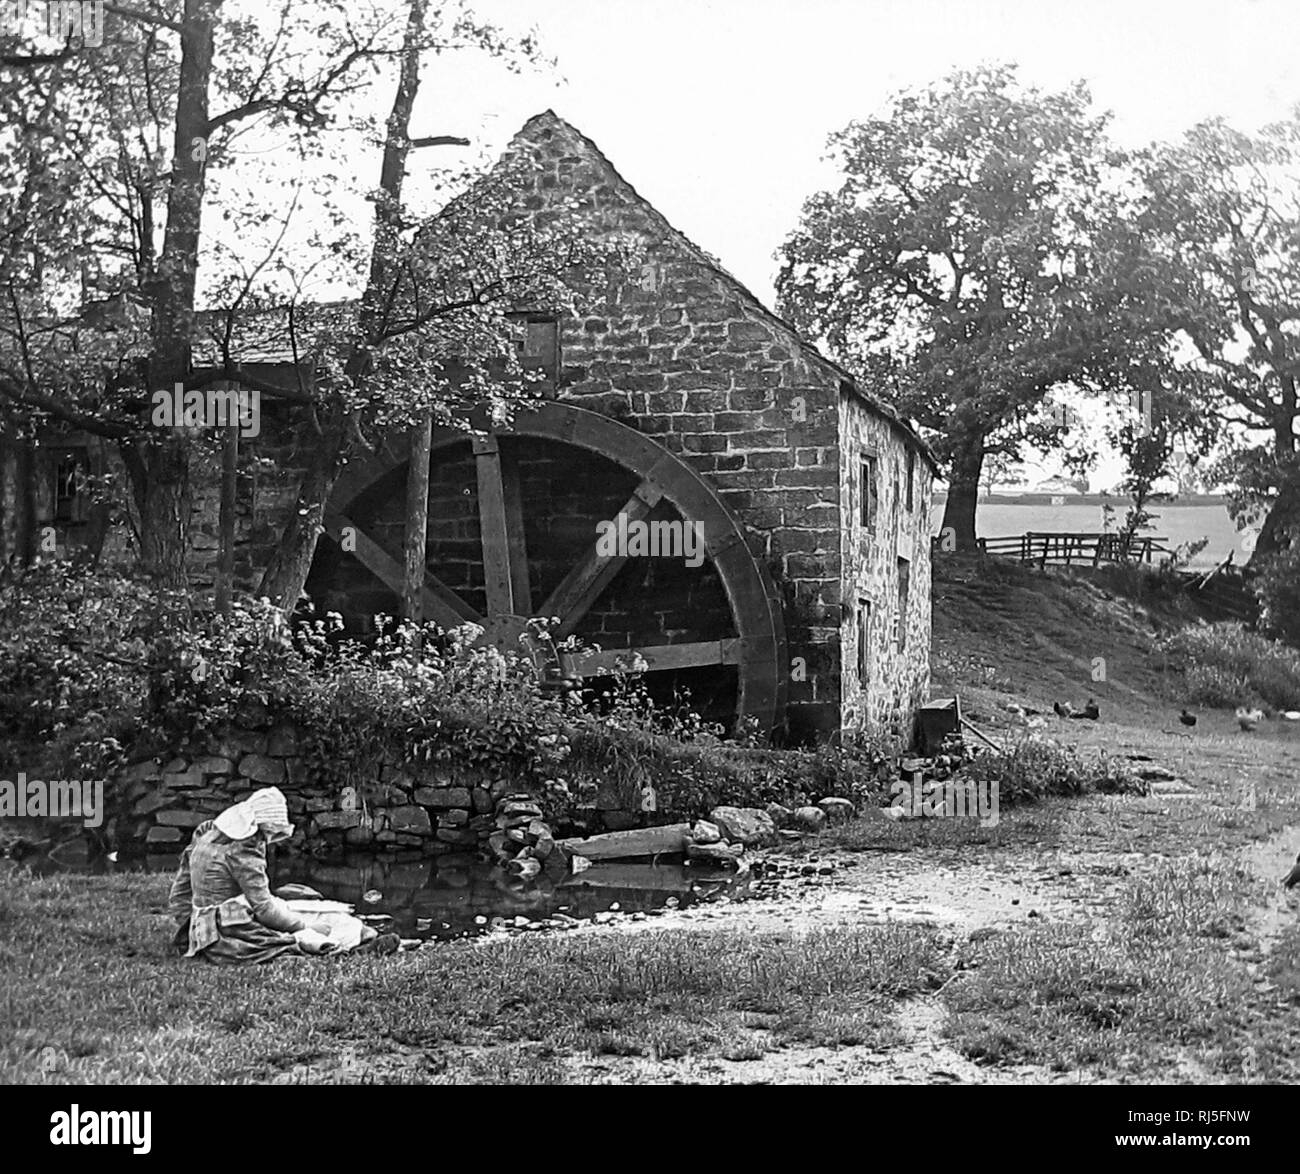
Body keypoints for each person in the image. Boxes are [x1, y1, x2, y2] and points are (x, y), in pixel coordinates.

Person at [167, 787, 394, 963]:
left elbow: (181, 891)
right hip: (229, 928)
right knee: (298, 934)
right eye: (270, 833)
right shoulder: (244, 848)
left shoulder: (207, 832)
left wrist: (189, 927)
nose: (269, 840)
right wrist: (303, 926)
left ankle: (359, 938)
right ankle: (350, 949)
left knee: (302, 911)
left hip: (201, 925)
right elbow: (264, 908)